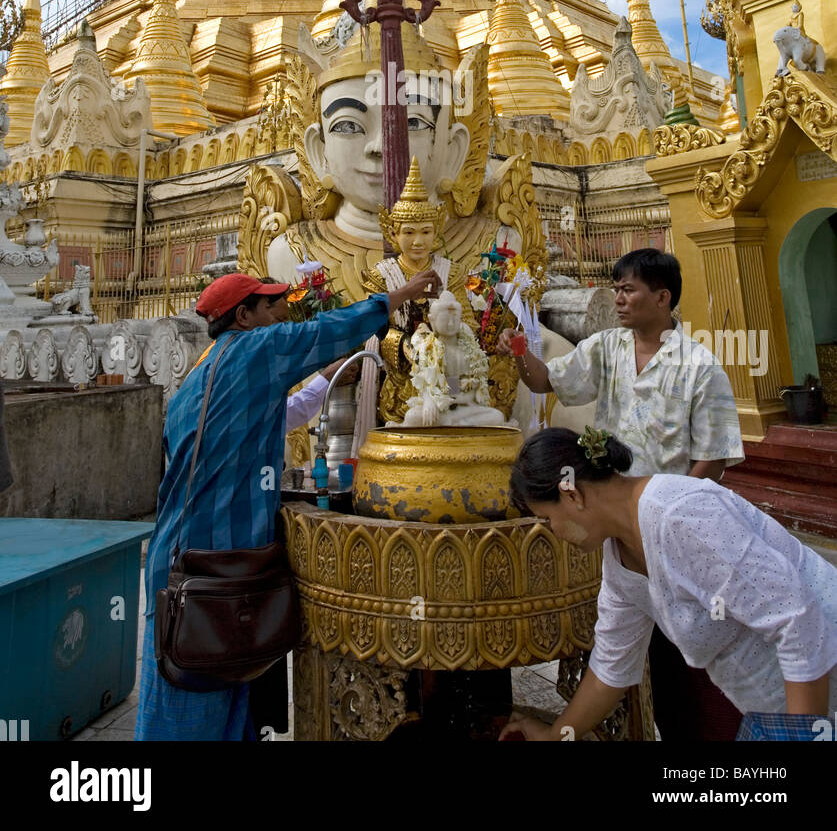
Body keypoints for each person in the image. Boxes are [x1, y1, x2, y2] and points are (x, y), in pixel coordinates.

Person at [136, 266, 442, 741]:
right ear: (244, 316)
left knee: (224, 690)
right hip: (204, 567)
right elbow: (325, 329)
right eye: (274, 307)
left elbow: (278, 417)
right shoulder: (258, 351)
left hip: (191, 560)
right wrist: (396, 295)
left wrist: (322, 378)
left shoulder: (206, 374)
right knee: (186, 711)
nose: (285, 316)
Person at [496, 248, 745, 740]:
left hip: (678, 527)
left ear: (662, 297)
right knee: (627, 642)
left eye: (629, 289)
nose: (619, 298)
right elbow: (547, 382)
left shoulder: (699, 365)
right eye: (616, 288)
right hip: (617, 520)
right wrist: (520, 353)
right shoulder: (605, 347)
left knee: (690, 651)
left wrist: (666, 517)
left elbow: (713, 456)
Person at [500, 427, 837, 741]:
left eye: (547, 519)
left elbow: (796, 619)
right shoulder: (620, 556)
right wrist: (555, 736)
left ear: (572, 494)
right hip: (781, 708)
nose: (553, 532)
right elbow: (611, 667)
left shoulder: (678, 515)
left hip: (820, 685)